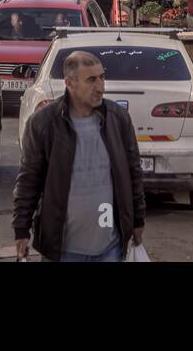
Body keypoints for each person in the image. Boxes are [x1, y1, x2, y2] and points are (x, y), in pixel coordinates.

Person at [13, 51, 145, 262]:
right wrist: (21, 229)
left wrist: (138, 220)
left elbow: (133, 172)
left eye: (102, 77)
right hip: (63, 249)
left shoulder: (117, 119)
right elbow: (29, 179)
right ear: (69, 83)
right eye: (91, 80)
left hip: (109, 246)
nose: (101, 87)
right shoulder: (44, 124)